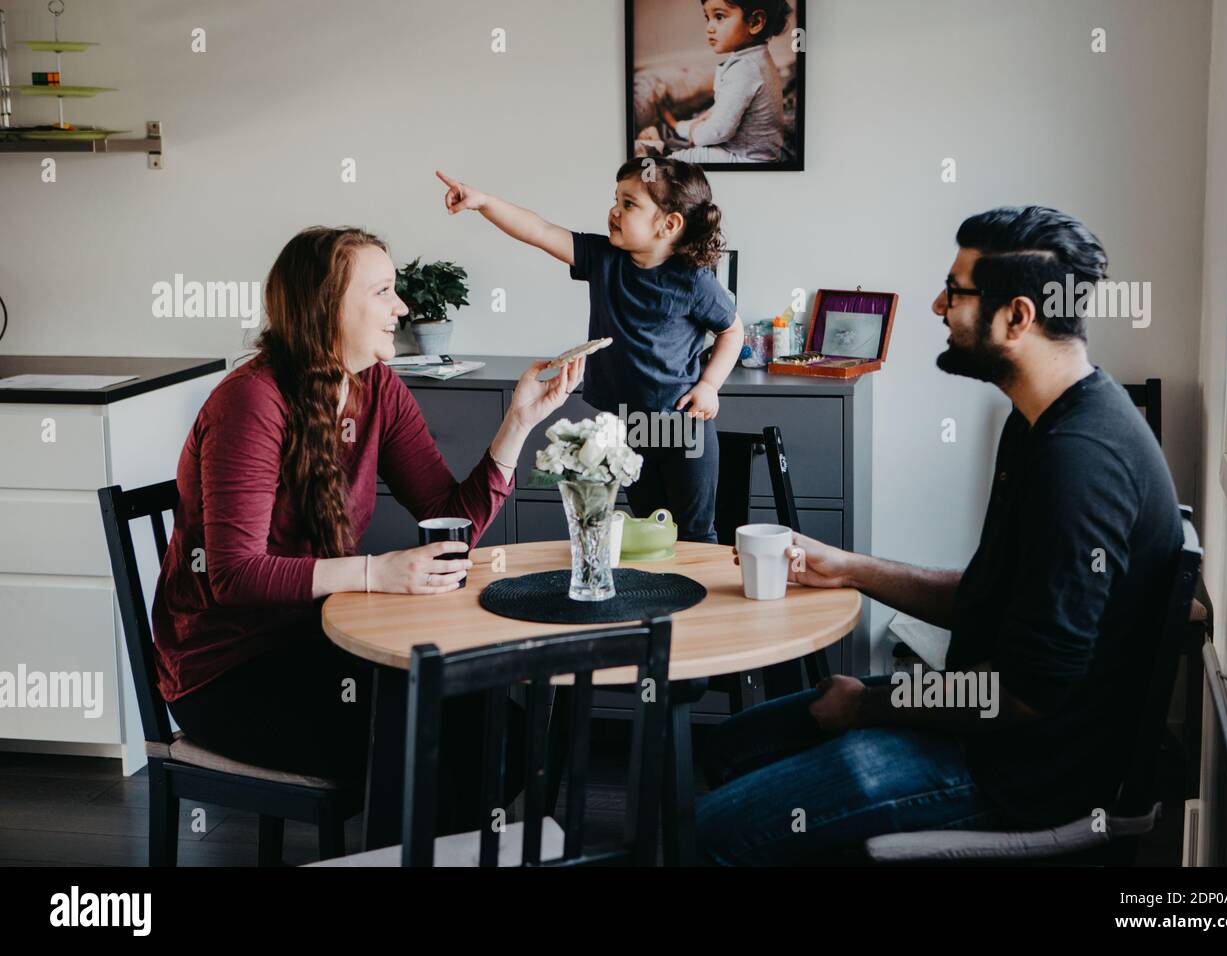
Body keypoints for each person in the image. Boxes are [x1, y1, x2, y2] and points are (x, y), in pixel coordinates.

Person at [696, 206, 1184, 865]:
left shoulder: (1080, 461)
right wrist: (850, 569)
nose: (936, 305)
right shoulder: (1044, 421)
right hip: (986, 732)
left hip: (1019, 774)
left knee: (706, 833)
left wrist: (871, 703)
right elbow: (989, 597)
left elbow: (1027, 696)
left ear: (1017, 317)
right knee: (724, 746)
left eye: (955, 291)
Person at [153, 226, 582, 830]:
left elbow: (446, 514)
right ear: (327, 307)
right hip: (227, 671)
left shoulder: (378, 387)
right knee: (431, 741)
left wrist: (518, 423)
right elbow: (233, 575)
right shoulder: (250, 402)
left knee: (495, 728)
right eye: (383, 292)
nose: (402, 307)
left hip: (321, 640)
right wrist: (376, 572)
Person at [437, 159, 743, 542]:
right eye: (615, 199)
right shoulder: (603, 258)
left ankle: (704, 600)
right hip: (628, 427)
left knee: (696, 534)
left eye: (629, 204)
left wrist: (710, 384)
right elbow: (539, 230)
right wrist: (483, 202)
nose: (614, 210)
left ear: (669, 224)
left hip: (682, 427)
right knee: (652, 530)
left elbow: (732, 330)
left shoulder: (695, 281)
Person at [662, 0, 790, 164]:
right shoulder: (758, 58)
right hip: (762, 151)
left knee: (675, 160)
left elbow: (719, 131)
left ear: (755, 22)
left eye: (719, 17)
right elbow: (728, 104)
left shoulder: (744, 69)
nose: (709, 28)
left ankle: (679, 130)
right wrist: (703, 120)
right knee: (707, 117)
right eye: (707, 18)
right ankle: (679, 126)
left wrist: (696, 135)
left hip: (746, 158)